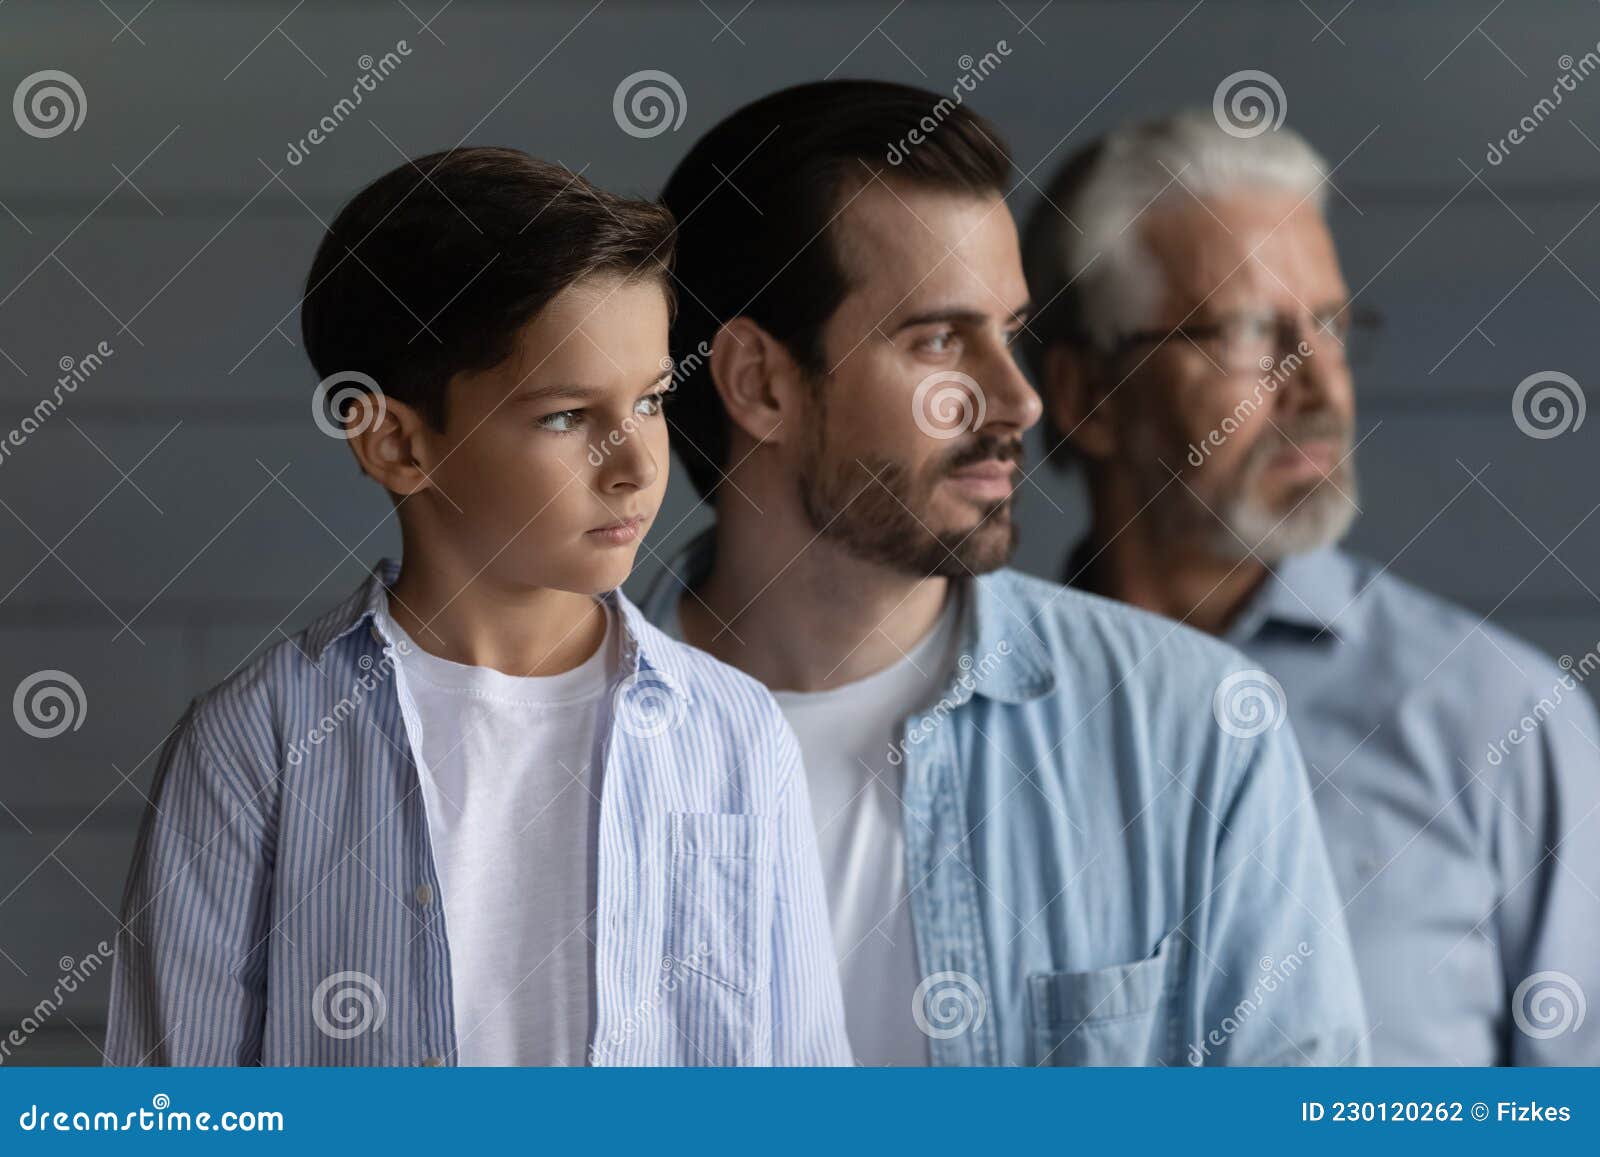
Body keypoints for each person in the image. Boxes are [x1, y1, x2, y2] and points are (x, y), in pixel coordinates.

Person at [644, 80, 1369, 1066]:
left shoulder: (1194, 732)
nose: (1020, 398)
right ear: (757, 381)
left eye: (1011, 330)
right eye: (940, 339)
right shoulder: (549, 740)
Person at [104, 147, 849, 1067]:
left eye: (651, 400)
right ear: (397, 446)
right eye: (567, 416)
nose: (637, 465)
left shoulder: (736, 731)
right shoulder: (255, 749)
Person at [1022, 110, 1600, 1064]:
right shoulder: (970, 716)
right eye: (1251, 333)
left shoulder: (1504, 720)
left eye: (1330, 326)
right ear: (1088, 394)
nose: (1323, 388)